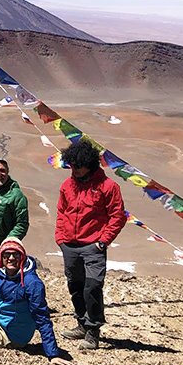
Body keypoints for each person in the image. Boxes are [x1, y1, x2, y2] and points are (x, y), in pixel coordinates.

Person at [55, 138, 126, 350]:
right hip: (69, 245)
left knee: (93, 286)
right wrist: (60, 238)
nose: (73, 170)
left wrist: (103, 242)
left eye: (77, 166)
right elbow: (61, 212)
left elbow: (118, 216)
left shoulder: (108, 187)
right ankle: (81, 324)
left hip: (94, 246)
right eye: (71, 166)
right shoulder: (67, 185)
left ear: (90, 164)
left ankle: (93, 330)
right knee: (75, 286)